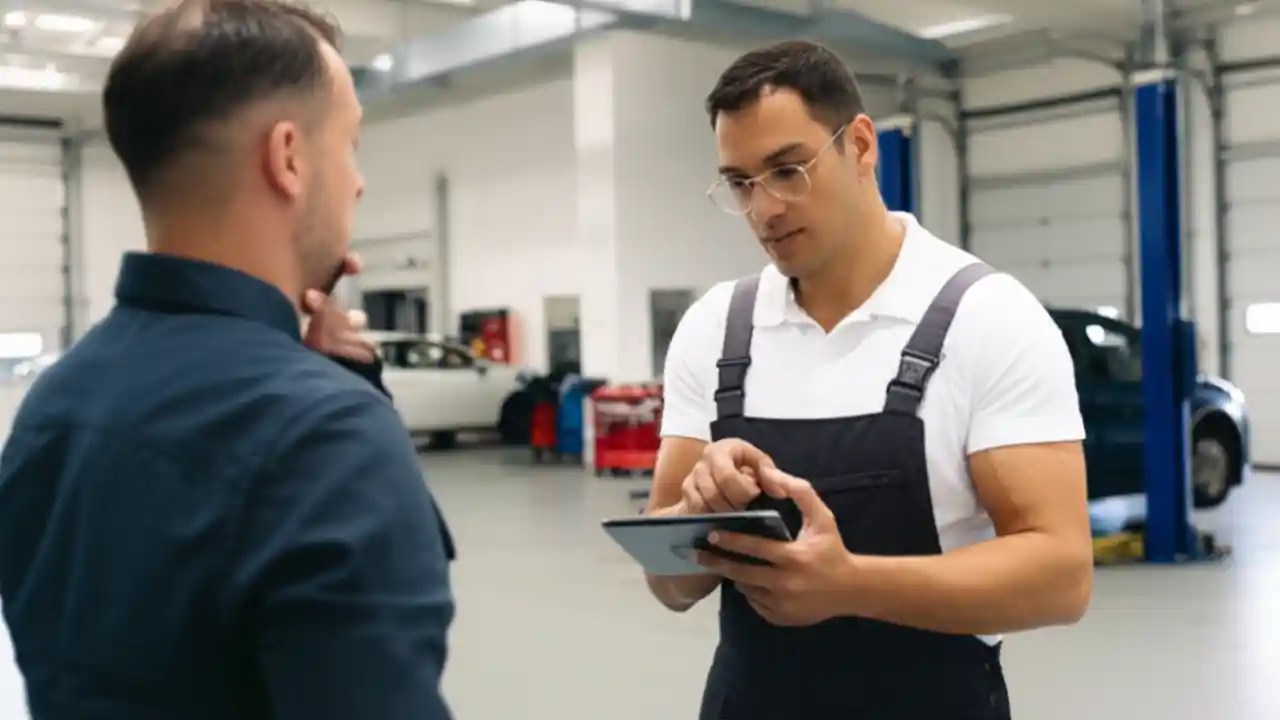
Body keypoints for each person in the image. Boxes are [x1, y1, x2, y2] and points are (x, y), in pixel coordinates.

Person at [0, 1, 455, 718]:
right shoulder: (326, 436)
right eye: (351, 145)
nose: (359, 182)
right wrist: (335, 398)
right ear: (289, 157)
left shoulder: (54, 404)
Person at [643, 40, 1093, 719]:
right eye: (740, 184)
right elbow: (669, 584)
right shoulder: (715, 331)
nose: (764, 209)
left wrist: (851, 585)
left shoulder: (988, 319)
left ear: (859, 146)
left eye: (787, 170)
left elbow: (1060, 577)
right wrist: (700, 514)